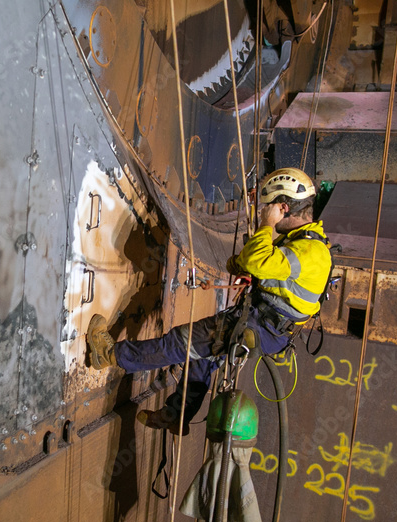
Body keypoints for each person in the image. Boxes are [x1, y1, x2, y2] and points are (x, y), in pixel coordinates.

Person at [86, 168, 332, 433]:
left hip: (262, 326)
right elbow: (268, 268)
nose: (266, 212)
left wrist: (266, 225)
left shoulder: (311, 250)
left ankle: (110, 355)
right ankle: (176, 415)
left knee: (182, 342)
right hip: (268, 327)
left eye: (270, 208)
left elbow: (257, 261)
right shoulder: (303, 243)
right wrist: (242, 258)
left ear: (283, 208)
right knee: (203, 357)